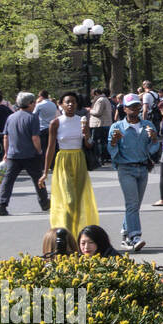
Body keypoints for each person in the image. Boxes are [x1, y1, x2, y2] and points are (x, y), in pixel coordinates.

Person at [39, 92, 100, 242]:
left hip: (79, 160)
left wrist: (86, 135)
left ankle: (79, 238)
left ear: (77, 105)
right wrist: (45, 172)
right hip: (64, 161)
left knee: (78, 202)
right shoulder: (56, 123)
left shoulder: (82, 121)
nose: (71, 105)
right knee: (69, 200)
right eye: (67, 102)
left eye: (73, 102)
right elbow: (51, 148)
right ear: (61, 104)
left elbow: (88, 144)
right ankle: (65, 237)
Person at [106, 93, 161, 252]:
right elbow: (111, 151)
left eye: (137, 106)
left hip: (142, 168)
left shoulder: (147, 125)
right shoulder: (116, 127)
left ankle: (125, 233)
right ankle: (135, 236)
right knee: (131, 204)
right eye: (131, 107)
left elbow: (152, 149)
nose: (135, 109)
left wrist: (154, 139)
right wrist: (114, 141)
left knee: (134, 205)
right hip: (126, 169)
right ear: (124, 108)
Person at [0, 92, 49, 216]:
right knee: (38, 179)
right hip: (30, 154)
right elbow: (35, 137)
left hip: (13, 155)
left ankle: (2, 205)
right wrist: (39, 150)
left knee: (8, 181)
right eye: (34, 102)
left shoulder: (11, 117)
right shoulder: (32, 117)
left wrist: (6, 152)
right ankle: (44, 202)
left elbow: (5, 137)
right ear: (30, 104)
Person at [87, 88, 113, 165]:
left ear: (96, 93)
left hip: (99, 124)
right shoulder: (106, 99)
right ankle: (104, 158)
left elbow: (98, 112)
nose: (93, 97)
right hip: (106, 123)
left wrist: (89, 110)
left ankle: (99, 158)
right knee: (104, 142)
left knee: (98, 142)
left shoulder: (100, 100)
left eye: (93, 95)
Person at [33, 91, 59, 155]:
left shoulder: (39, 105)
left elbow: (33, 115)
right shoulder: (53, 104)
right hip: (51, 128)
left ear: (41, 96)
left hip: (42, 128)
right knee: (51, 147)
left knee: (44, 148)